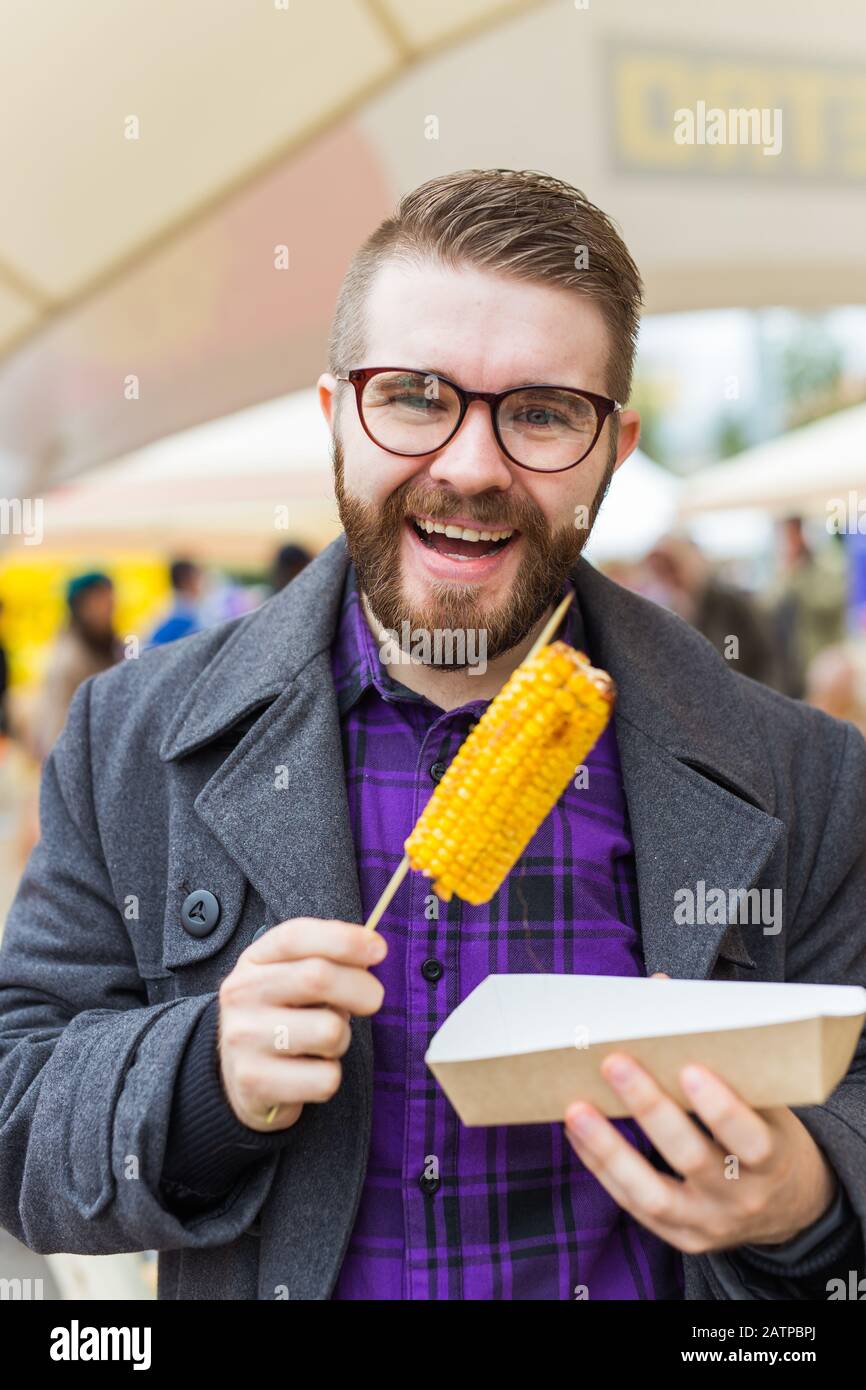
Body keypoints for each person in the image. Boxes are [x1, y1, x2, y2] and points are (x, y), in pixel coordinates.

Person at [1, 169, 864, 1302]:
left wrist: (808, 1196)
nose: (469, 465)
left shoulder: (806, 776)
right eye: (413, 395)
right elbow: (18, 1114)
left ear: (612, 448)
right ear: (334, 418)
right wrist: (196, 1075)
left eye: (543, 413)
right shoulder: (130, 736)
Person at [642, 534, 782, 688]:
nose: (669, 578)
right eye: (661, 572)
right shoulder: (674, 609)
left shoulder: (727, 606)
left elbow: (734, 655)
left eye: (671, 568)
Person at [33, 571, 121, 759]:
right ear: (81, 607)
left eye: (109, 600)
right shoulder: (69, 661)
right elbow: (55, 735)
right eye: (99, 601)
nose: (108, 608)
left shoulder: (109, 646)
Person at [765, 517, 847, 698]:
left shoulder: (829, 565)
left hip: (824, 666)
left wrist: (798, 574)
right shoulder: (785, 572)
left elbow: (829, 602)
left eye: (791, 535)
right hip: (792, 667)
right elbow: (768, 607)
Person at [148, 559, 204, 646]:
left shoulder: (168, 605)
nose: (201, 585)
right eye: (197, 578)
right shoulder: (182, 614)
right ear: (186, 581)